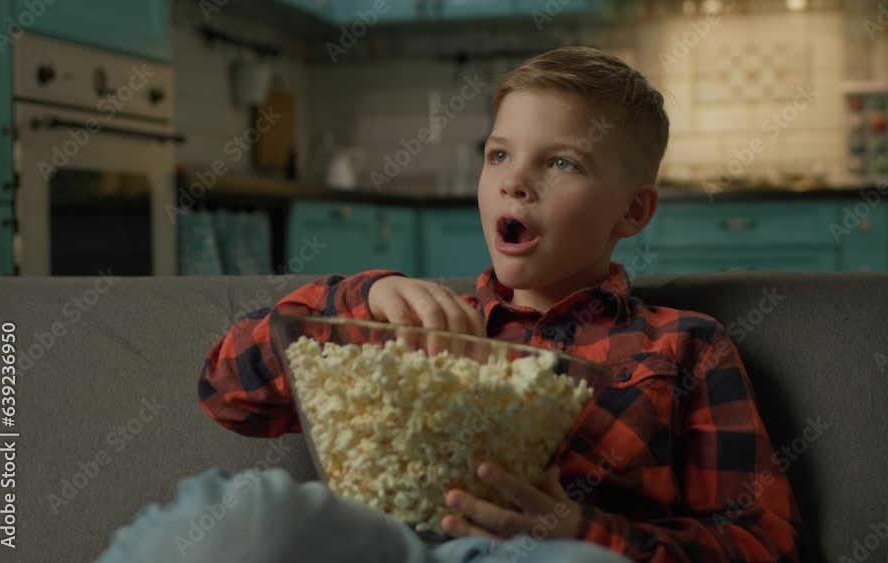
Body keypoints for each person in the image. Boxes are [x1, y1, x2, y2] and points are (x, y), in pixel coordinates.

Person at [95, 46, 801, 563]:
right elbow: (225, 392)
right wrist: (358, 296)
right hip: (385, 546)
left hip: (547, 555)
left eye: (561, 162)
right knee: (241, 510)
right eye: (498, 155)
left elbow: (760, 545)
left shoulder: (683, 346)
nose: (514, 181)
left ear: (634, 210)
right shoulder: (415, 320)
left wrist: (580, 529)